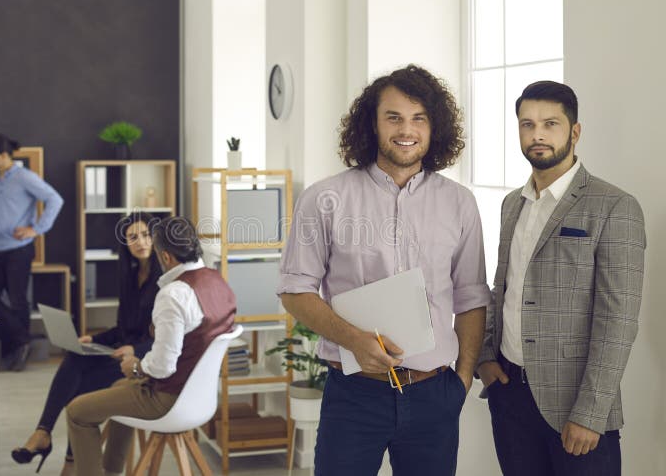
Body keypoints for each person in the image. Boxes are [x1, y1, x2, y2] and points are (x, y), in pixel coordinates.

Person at [277, 64, 490, 475]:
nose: (405, 130)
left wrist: (461, 379)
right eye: (393, 117)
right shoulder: (325, 198)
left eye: (418, 119)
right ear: (372, 125)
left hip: (434, 395)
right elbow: (294, 290)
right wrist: (355, 340)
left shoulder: (460, 203)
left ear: (434, 127)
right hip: (354, 396)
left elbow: (471, 295)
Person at [476, 81, 646, 476]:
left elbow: (618, 321)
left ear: (575, 132)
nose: (537, 134)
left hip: (577, 405)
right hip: (510, 396)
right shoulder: (511, 204)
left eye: (550, 124)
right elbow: (500, 288)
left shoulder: (614, 206)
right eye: (527, 124)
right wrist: (484, 356)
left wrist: (590, 412)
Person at [66, 216, 236, 476]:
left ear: (165, 256)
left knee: (77, 411)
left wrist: (137, 365)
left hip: (167, 399)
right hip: (200, 399)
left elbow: (163, 367)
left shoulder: (173, 294)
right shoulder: (218, 281)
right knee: (119, 389)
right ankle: (111, 470)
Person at [11, 212, 162, 474]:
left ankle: (54, 447)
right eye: (133, 237)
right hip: (121, 354)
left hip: (141, 363)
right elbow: (123, 328)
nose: (141, 241)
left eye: (147, 235)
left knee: (82, 389)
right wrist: (93, 339)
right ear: (125, 243)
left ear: (156, 237)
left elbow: (166, 337)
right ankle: (45, 434)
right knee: (75, 356)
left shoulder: (165, 281)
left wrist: (135, 350)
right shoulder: (130, 276)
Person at [0, 134, 64, 371]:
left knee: (18, 301)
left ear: (3, 155)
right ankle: (22, 339)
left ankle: (17, 353)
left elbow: (55, 200)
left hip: (19, 250)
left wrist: (35, 230)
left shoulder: (24, 177)